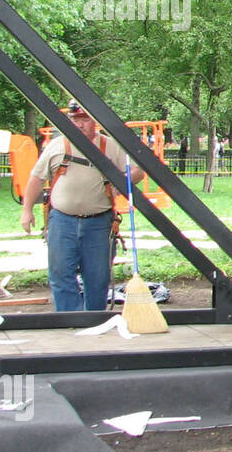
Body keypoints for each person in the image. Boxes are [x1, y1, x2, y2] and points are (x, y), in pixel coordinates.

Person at [20, 100, 145, 312]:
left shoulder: (109, 146)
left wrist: (122, 180)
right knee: (60, 275)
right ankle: (70, 320)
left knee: (97, 277)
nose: (79, 124)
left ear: (94, 121)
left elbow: (138, 171)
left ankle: (94, 320)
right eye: (74, 120)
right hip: (62, 221)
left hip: (99, 222)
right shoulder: (57, 146)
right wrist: (26, 210)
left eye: (84, 119)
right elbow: (36, 178)